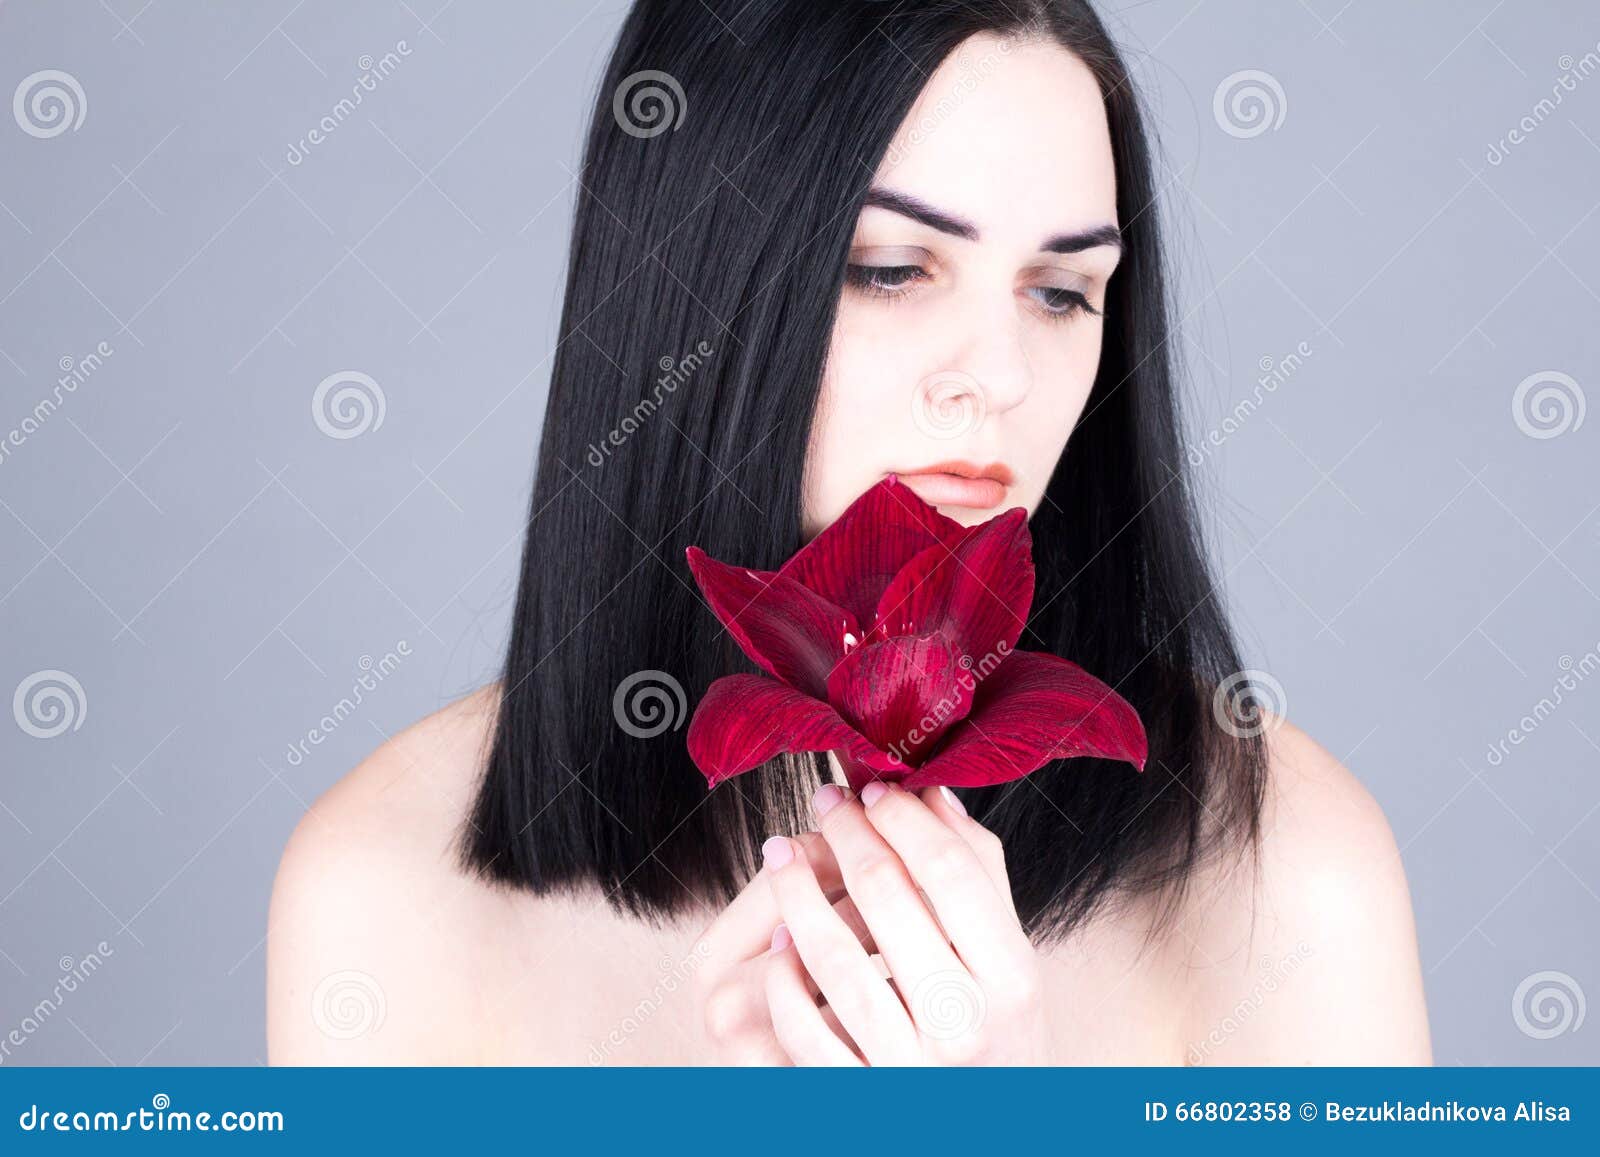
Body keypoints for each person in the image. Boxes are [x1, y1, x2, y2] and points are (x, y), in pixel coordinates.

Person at [267, 0, 1431, 1065]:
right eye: (889, 269)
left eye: (1061, 291)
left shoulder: (1284, 870)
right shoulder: (382, 882)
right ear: (699, 283)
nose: (999, 377)